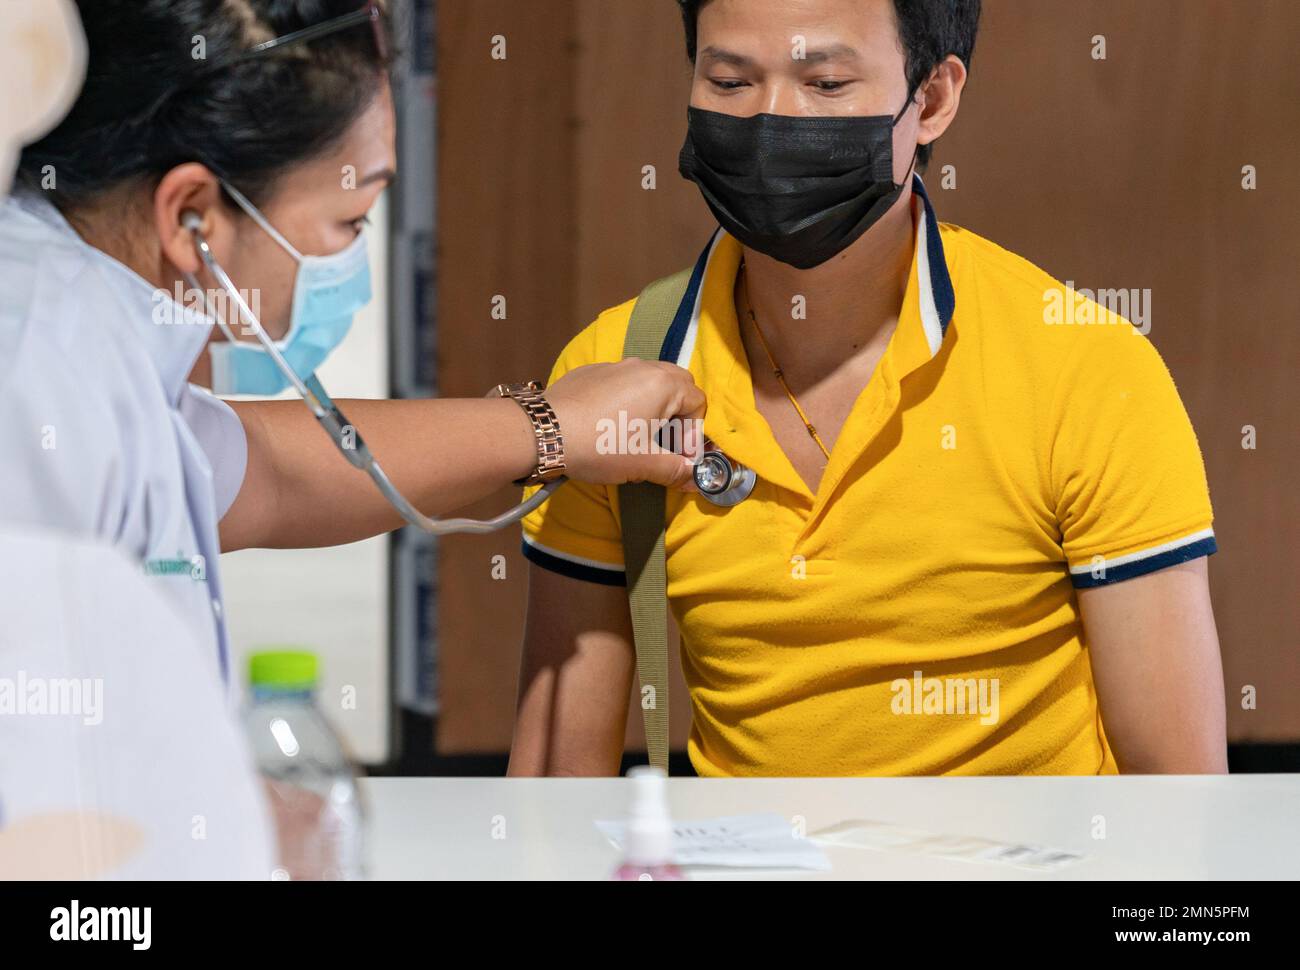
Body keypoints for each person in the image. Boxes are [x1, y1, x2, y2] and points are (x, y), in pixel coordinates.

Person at [510, 0, 1226, 777]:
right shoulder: (612, 374)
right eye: (728, 80)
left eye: (825, 83)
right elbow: (555, 784)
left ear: (934, 99)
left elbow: (1181, 795)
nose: (770, 122)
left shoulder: (1084, 367)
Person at [0, 0, 705, 691]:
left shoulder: (89, 344)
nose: (352, 272)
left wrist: (553, 426)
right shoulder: (42, 393)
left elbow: (268, 475)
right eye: (350, 220)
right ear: (192, 218)